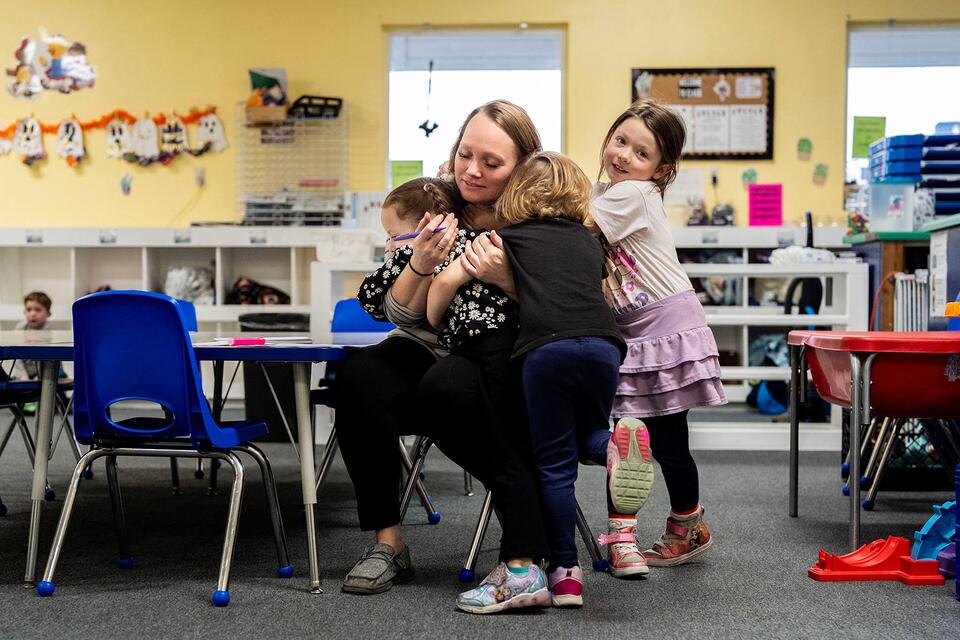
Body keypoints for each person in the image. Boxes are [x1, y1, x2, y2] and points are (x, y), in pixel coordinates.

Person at [336, 100, 551, 613]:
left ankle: (523, 526)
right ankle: (389, 543)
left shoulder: (539, 220)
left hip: (496, 360)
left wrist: (507, 281)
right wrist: (420, 265)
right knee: (360, 377)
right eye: (464, 154)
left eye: (491, 163)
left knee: (451, 384)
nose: (472, 171)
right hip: (425, 346)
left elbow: (562, 308)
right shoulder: (433, 206)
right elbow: (398, 315)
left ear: (522, 166)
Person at [480, 150, 642, 606]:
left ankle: (567, 575)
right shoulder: (590, 241)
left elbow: (493, 276)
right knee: (590, 432)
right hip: (605, 346)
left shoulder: (507, 236)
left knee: (553, 466)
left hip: (546, 349)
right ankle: (612, 447)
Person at [591, 99, 726, 570]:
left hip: (663, 325)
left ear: (660, 169)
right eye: (620, 140)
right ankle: (685, 525)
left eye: (640, 153)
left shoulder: (631, 195)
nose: (624, 154)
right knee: (660, 442)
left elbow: (574, 225)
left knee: (637, 439)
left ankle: (643, 534)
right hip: (644, 325)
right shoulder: (609, 191)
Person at [11, 291, 53, 381]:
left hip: (49, 373)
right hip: (24, 373)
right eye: (29, 309)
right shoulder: (20, 328)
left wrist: (40, 378)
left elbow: (48, 357)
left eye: (38, 310)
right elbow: (16, 356)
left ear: (48, 314)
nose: (32, 314)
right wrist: (23, 376)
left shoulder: (50, 330)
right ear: (24, 312)